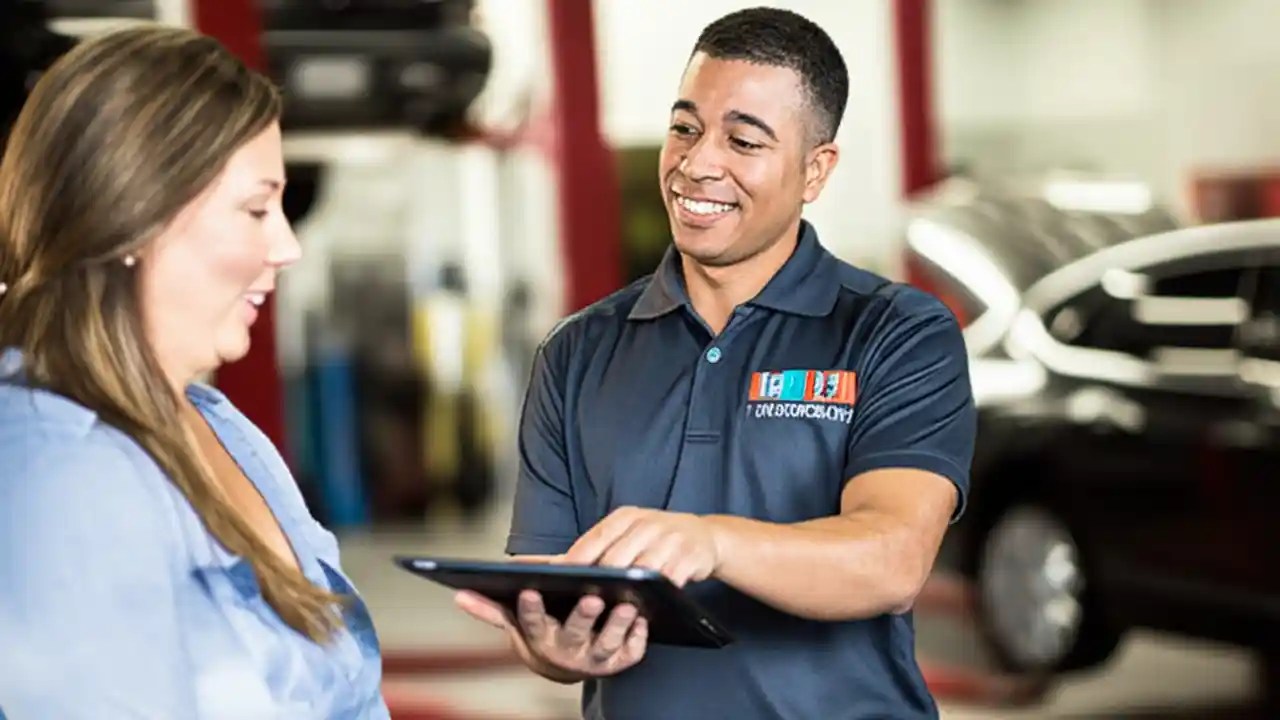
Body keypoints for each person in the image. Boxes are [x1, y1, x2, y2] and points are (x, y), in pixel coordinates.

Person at [457, 7, 975, 720]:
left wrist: (710, 541)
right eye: (685, 128)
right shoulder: (577, 353)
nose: (698, 163)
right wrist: (556, 648)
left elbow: (892, 560)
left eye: (742, 140)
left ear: (814, 171)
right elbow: (545, 598)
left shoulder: (896, 332)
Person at [0, 26, 389, 719]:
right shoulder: (55, 465)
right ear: (133, 216)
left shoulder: (224, 428)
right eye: (255, 209)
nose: (287, 246)